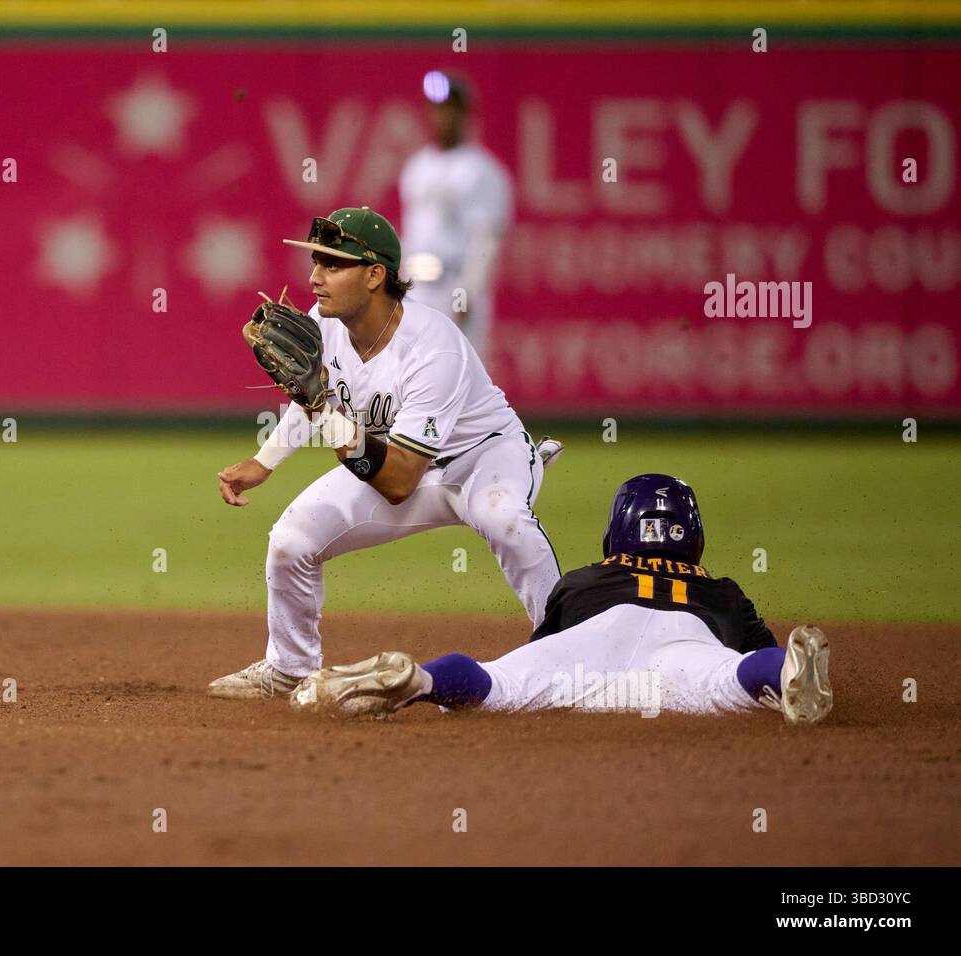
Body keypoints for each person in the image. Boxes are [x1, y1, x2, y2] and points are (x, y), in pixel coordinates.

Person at [210, 206, 562, 700]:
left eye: (333, 265)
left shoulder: (433, 347)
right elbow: (312, 396)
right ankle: (288, 668)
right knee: (291, 540)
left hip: (482, 458)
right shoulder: (325, 324)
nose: (314, 278)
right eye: (315, 263)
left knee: (504, 519)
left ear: (375, 275)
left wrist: (325, 414)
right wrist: (265, 462)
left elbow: (397, 483)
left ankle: (568, 650)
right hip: (395, 459)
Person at [289, 473, 834, 727]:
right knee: (731, 677)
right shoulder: (724, 591)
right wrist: (768, 663)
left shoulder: (583, 579)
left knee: (499, 680)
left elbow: (548, 642)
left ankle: (421, 679)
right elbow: (747, 649)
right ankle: (790, 673)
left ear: (618, 529)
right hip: (685, 640)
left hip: (592, 636)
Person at [397, 71, 514, 359]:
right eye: (436, 108)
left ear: (464, 114)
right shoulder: (417, 166)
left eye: (449, 108)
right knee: (410, 376)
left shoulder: (481, 170)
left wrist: (469, 292)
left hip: (453, 285)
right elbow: (411, 234)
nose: (441, 116)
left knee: (459, 378)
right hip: (416, 285)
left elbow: (487, 240)